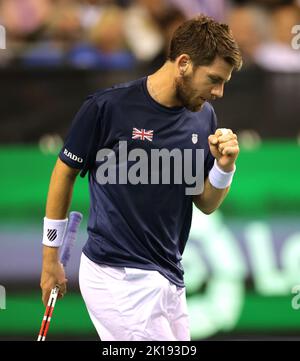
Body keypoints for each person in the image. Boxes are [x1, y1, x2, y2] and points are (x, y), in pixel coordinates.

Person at [40, 14, 242, 341]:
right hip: (118, 277)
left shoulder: (202, 116)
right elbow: (64, 173)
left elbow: (205, 202)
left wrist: (224, 167)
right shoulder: (107, 107)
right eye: (214, 79)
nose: (218, 92)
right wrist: (50, 259)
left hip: (170, 278)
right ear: (184, 63)